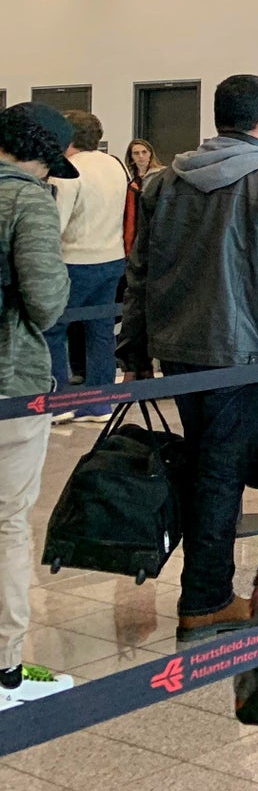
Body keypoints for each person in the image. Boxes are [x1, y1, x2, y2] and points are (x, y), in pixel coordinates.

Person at [120, 73, 258, 644]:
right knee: (221, 472)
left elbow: (140, 276)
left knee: (205, 462)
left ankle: (207, 590)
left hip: (178, 347)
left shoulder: (163, 183)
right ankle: (205, 600)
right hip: (241, 354)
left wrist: (133, 351)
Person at [0, 103, 79, 707]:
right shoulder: (28, 200)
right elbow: (47, 302)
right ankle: (5, 671)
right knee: (6, 524)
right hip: (10, 380)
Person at [51, 110, 129, 422]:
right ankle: (99, 402)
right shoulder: (114, 165)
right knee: (101, 331)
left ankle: (59, 402)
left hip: (74, 260)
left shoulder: (67, 171)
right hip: (112, 258)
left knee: (54, 329)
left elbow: (54, 225)